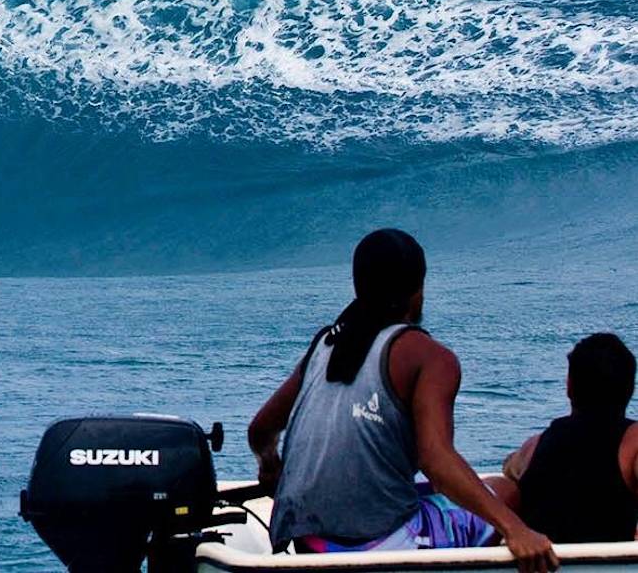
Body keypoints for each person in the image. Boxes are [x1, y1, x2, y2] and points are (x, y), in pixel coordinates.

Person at [248, 228, 558, 573]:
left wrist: (270, 465)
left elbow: (260, 429)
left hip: (311, 543)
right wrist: (515, 529)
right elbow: (436, 459)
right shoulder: (429, 357)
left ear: (357, 284)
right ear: (417, 290)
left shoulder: (325, 344)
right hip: (377, 548)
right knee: (505, 492)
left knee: (436, 492)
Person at [502, 333, 638, 543]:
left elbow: (510, 468)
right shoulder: (633, 441)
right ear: (630, 388)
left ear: (569, 386)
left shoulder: (534, 445)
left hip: (543, 562)